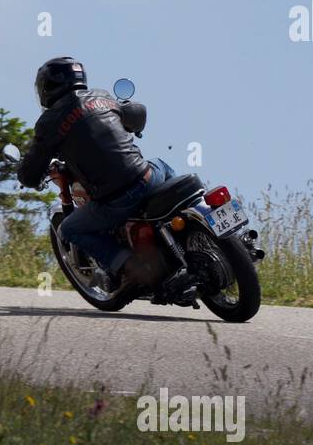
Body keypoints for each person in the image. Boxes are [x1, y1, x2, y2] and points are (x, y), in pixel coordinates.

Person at [16, 56, 188, 296]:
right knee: (164, 165)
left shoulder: (48, 123)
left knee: (70, 229)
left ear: (47, 87)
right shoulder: (102, 96)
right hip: (148, 177)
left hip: (117, 199)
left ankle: (131, 269)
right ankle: (185, 225)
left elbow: (31, 172)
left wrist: (26, 173)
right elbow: (136, 114)